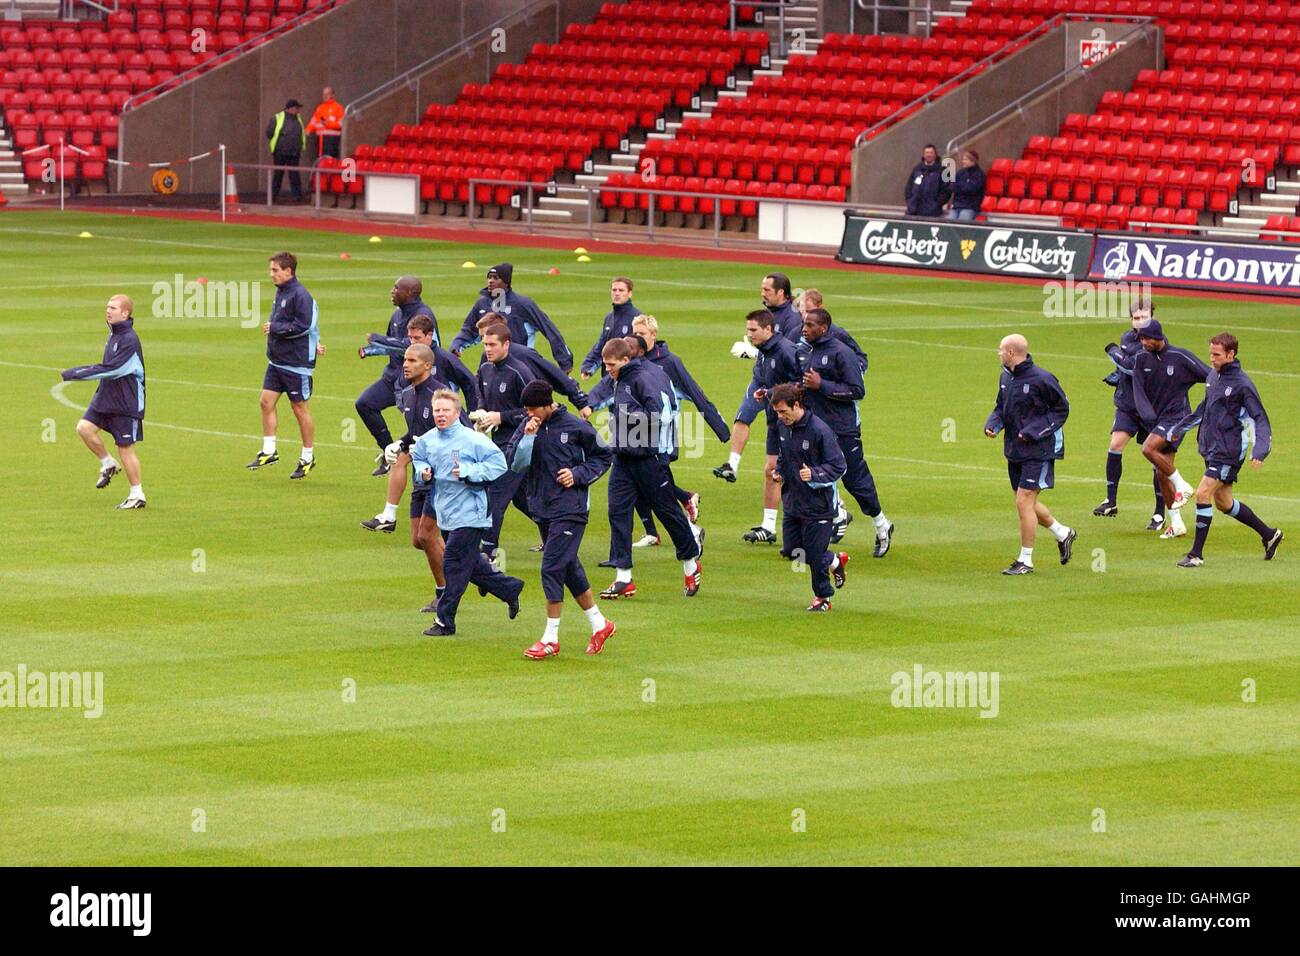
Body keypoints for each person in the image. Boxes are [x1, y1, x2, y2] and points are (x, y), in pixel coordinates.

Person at [506, 380, 617, 659]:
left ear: (548, 404)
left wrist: (577, 475)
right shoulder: (527, 426)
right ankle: (600, 624)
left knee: (552, 567)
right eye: (526, 409)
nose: (529, 413)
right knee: (568, 568)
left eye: (533, 408)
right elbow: (515, 464)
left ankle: (551, 638)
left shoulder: (576, 427)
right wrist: (528, 437)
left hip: (571, 508)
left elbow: (603, 456)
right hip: (541, 507)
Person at [411, 390, 525, 637]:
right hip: (445, 512)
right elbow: (418, 460)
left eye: (446, 411)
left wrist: (468, 471)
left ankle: (445, 621)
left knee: (452, 563)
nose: (440, 415)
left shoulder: (473, 439)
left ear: (457, 413)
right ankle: (510, 588)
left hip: (471, 512)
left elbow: (499, 464)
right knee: (470, 564)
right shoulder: (427, 440)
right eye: (437, 410)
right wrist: (423, 472)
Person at [599, 338, 704, 599]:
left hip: (650, 459)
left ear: (625, 360)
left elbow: (660, 416)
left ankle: (691, 561)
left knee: (668, 513)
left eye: (611, 364)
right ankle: (623, 577)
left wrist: (626, 419)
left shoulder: (644, 379)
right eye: (605, 364)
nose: (608, 369)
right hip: (623, 459)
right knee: (617, 512)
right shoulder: (621, 378)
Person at [360, 315, 478, 535]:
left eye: (417, 338)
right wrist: (397, 441)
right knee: (400, 460)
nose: (412, 343)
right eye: (409, 338)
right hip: (422, 427)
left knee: (434, 531)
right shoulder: (410, 374)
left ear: (429, 336)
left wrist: (473, 414)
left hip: (445, 430)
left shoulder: (443, 360)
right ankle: (389, 515)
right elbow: (400, 387)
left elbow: (469, 382)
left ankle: (472, 546)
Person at [1173, 333, 1283, 567]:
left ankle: (1196, 555)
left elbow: (1259, 418)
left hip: (1228, 451)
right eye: (1210, 353)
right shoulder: (1214, 376)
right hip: (1211, 448)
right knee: (1224, 503)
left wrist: (1260, 450)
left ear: (1231, 354)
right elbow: (1205, 408)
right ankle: (1269, 534)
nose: (1211, 359)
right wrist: (1180, 428)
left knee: (1202, 494)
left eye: (1217, 354)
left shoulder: (1243, 385)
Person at [797, 308, 894, 557]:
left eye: (809, 324)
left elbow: (856, 390)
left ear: (824, 328)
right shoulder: (811, 351)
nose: (804, 328)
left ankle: (881, 525)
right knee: (817, 477)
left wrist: (823, 385)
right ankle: (831, 523)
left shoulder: (842, 353)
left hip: (842, 429)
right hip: (816, 426)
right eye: (804, 324)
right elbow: (807, 386)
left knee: (854, 480)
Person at [984, 334, 1076, 574]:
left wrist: (1034, 431)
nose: (999, 353)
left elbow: (1062, 409)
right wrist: (993, 424)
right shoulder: (1006, 377)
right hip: (1015, 449)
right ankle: (1063, 533)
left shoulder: (1042, 379)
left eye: (1001, 350)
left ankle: (1026, 560)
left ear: (1012, 353)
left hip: (1039, 450)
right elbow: (1001, 407)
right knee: (1026, 501)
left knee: (1023, 501)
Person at [61, 294, 147, 509]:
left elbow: (114, 369)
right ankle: (108, 464)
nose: (108, 311)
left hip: (125, 403)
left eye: (113, 308)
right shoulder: (114, 334)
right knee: (84, 428)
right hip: (106, 398)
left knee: (125, 448)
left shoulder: (129, 339)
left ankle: (137, 495)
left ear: (125, 313)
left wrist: (77, 373)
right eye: (107, 307)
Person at [768, 384, 850, 611]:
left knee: (814, 555)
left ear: (796, 406)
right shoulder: (783, 427)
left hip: (819, 505)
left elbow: (839, 466)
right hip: (793, 501)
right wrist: (780, 472)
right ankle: (835, 560)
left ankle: (823, 597)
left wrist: (814, 474)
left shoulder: (819, 431)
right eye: (777, 412)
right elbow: (785, 456)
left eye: (783, 411)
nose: (780, 416)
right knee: (793, 551)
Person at [715, 273, 801, 483]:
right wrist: (755, 352)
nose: (762, 293)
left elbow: (790, 353)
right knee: (744, 413)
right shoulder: (766, 313)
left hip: (781, 383)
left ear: (781, 292)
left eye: (766, 290)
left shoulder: (792, 318)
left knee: (790, 438)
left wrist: (754, 352)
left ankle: (828, 495)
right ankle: (732, 464)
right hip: (762, 377)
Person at [1131, 318, 1210, 540]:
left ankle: (1182, 484)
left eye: (1146, 339)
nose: (1143, 342)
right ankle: (1176, 523)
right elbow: (1138, 391)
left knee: (1148, 449)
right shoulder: (1141, 359)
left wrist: (1205, 408)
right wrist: (1147, 417)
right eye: (1141, 339)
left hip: (1177, 417)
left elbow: (1210, 377)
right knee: (1160, 471)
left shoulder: (1180, 357)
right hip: (1155, 421)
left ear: (1158, 337)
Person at [354, 276, 439, 476]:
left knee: (417, 424)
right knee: (364, 403)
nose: (392, 291)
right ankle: (387, 452)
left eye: (396, 288)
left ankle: (424, 465)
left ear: (410, 293)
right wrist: (371, 350)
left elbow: (417, 347)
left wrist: (379, 339)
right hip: (393, 376)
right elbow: (392, 346)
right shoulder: (397, 314)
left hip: (414, 379)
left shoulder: (424, 316)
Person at [1095, 295, 1166, 530]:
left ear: (1153, 318)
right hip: (1127, 403)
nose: (1140, 322)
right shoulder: (1127, 337)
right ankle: (1110, 501)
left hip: (1150, 407)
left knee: (1156, 458)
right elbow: (1125, 365)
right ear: (1130, 319)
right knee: (1115, 444)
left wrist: (1113, 352)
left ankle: (1159, 512)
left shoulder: (1156, 342)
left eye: (1145, 317)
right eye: (1136, 318)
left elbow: (1128, 364)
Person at [474, 323, 545, 559]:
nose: (488, 349)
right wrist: (482, 414)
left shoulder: (520, 372)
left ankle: (488, 550)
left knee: (495, 493)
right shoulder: (485, 369)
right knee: (522, 499)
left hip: (520, 445)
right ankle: (554, 532)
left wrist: (501, 417)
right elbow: (482, 398)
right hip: (496, 445)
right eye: (485, 344)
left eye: (493, 345)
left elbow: (536, 411)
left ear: (506, 344)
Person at [248, 252, 319, 479]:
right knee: (265, 401)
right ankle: (269, 451)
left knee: (299, 409)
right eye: (271, 270)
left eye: (275, 270)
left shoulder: (301, 295)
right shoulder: (282, 292)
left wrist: (275, 328)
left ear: (289, 271)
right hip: (277, 361)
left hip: (296, 364)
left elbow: (305, 325)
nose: (271, 275)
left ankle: (308, 457)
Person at [733, 309, 800, 544]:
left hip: (793, 422)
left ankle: (835, 513)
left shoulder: (785, 351)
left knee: (802, 472)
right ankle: (768, 527)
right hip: (775, 420)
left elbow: (800, 384)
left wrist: (771, 393)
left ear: (768, 329)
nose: (749, 334)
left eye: (753, 330)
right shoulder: (763, 352)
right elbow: (761, 379)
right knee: (771, 469)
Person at [449, 264, 573, 373]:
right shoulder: (482, 304)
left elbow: (549, 330)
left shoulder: (523, 304)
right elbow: (469, 329)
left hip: (523, 365)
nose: (490, 281)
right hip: (492, 365)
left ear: (506, 282)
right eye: (489, 277)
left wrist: (564, 361)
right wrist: (457, 344)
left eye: (495, 278)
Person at [579, 277, 639, 379]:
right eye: (614, 290)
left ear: (630, 294)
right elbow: (602, 345)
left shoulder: (637, 318)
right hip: (609, 376)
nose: (617, 293)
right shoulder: (609, 317)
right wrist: (588, 367)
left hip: (629, 377)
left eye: (621, 290)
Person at [265, 99, 306, 203]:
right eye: (297, 108)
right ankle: (273, 196)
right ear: (291, 108)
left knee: (294, 175)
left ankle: (297, 196)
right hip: (280, 151)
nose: (298, 110)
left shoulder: (298, 118)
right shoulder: (277, 118)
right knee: (278, 174)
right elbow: (269, 132)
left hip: (294, 152)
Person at [905, 144, 949, 217]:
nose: (929, 155)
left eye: (931, 153)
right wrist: (910, 201)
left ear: (935, 154)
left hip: (932, 212)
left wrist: (937, 204)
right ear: (923, 155)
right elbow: (909, 186)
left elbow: (946, 190)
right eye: (927, 153)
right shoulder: (917, 168)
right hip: (913, 210)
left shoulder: (943, 170)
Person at [945, 149, 985, 221]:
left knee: (963, 221)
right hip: (956, 206)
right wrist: (963, 185)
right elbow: (952, 187)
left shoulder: (979, 174)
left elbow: (971, 189)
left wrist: (959, 185)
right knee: (949, 223)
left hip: (970, 207)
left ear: (973, 161)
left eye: (966, 159)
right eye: (963, 159)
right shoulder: (960, 173)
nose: (963, 161)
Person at [305, 86, 343, 160]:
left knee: (330, 161)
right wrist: (307, 130)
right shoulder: (320, 108)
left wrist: (327, 124)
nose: (325, 96)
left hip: (332, 141)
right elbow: (313, 122)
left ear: (332, 95)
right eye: (324, 94)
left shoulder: (338, 108)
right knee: (320, 160)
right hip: (320, 140)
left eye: (327, 94)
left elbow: (341, 124)